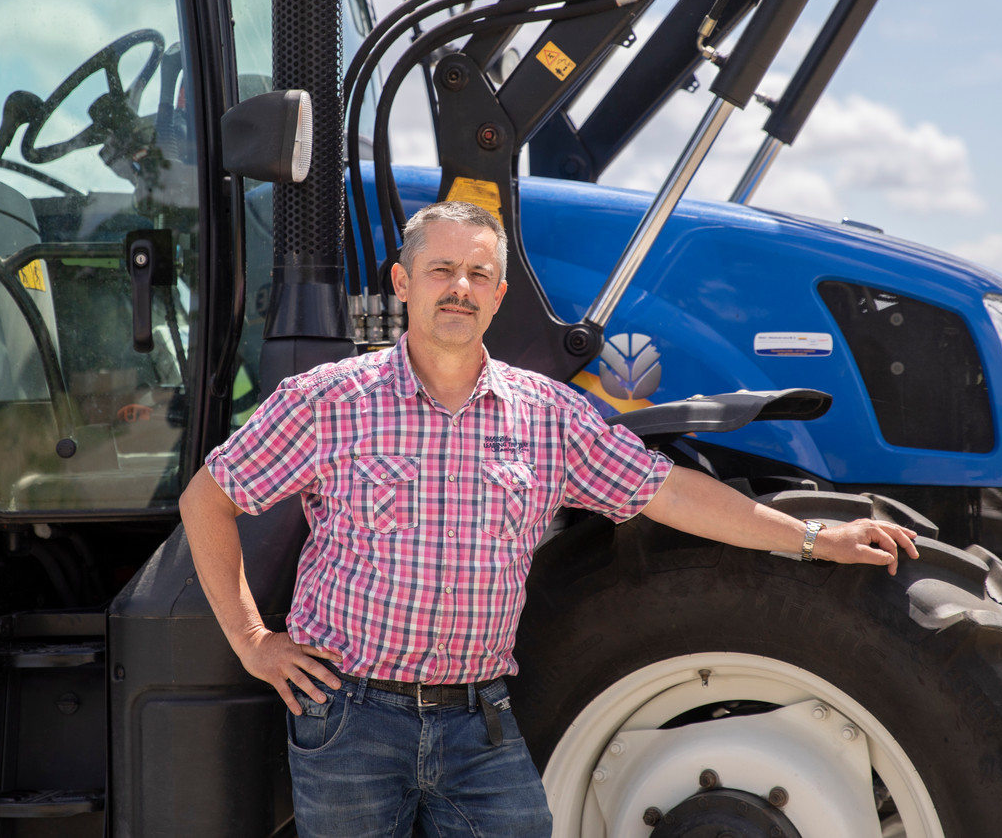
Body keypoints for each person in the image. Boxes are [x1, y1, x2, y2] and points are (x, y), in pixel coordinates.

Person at [180, 200, 919, 837]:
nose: (459, 289)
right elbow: (206, 500)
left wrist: (815, 537)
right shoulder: (329, 401)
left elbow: (668, 491)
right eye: (441, 270)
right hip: (349, 718)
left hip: (479, 725)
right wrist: (253, 640)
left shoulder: (547, 415)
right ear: (403, 283)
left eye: (477, 275)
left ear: (500, 295)